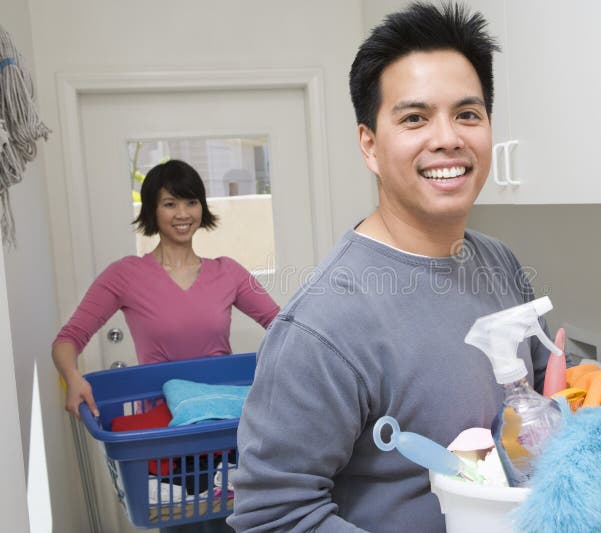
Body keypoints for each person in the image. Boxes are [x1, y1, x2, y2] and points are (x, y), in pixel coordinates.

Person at [229, 3, 551, 532]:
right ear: (370, 146)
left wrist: (585, 390)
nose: (448, 138)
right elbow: (274, 518)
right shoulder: (322, 327)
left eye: (467, 114)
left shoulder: (499, 262)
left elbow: (533, 396)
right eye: (415, 118)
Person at [52, 159, 280, 532]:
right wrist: (72, 377)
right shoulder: (125, 275)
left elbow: (282, 325)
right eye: (170, 203)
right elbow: (68, 338)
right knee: (183, 527)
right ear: (152, 210)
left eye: (191, 202)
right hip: (165, 434)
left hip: (225, 428)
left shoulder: (229, 273)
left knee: (238, 524)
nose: (183, 214)